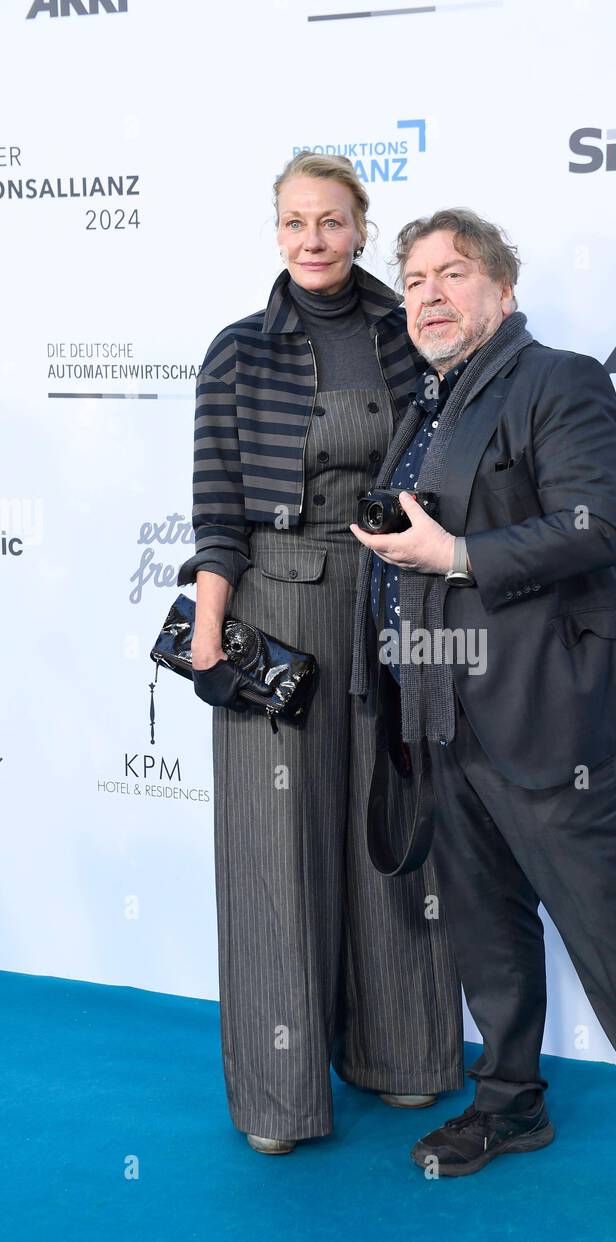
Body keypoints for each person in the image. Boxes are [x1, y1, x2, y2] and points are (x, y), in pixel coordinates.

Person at [349, 208, 616, 1242]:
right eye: (415, 277)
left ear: (501, 291)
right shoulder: (427, 404)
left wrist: (454, 556)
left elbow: (591, 525)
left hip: (545, 712)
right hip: (439, 709)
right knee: (484, 928)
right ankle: (511, 1101)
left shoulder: (556, 380)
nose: (429, 293)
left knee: (608, 935)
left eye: (453, 274)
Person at [178, 156, 463, 1155]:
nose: (312, 239)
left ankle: (406, 1054)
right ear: (276, 231)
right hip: (273, 609)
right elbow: (217, 511)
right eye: (294, 221)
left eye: (331, 222)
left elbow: (453, 460)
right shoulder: (238, 353)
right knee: (274, 851)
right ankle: (280, 1095)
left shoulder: (408, 337)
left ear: (358, 227)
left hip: (386, 600)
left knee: (390, 825)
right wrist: (208, 632)